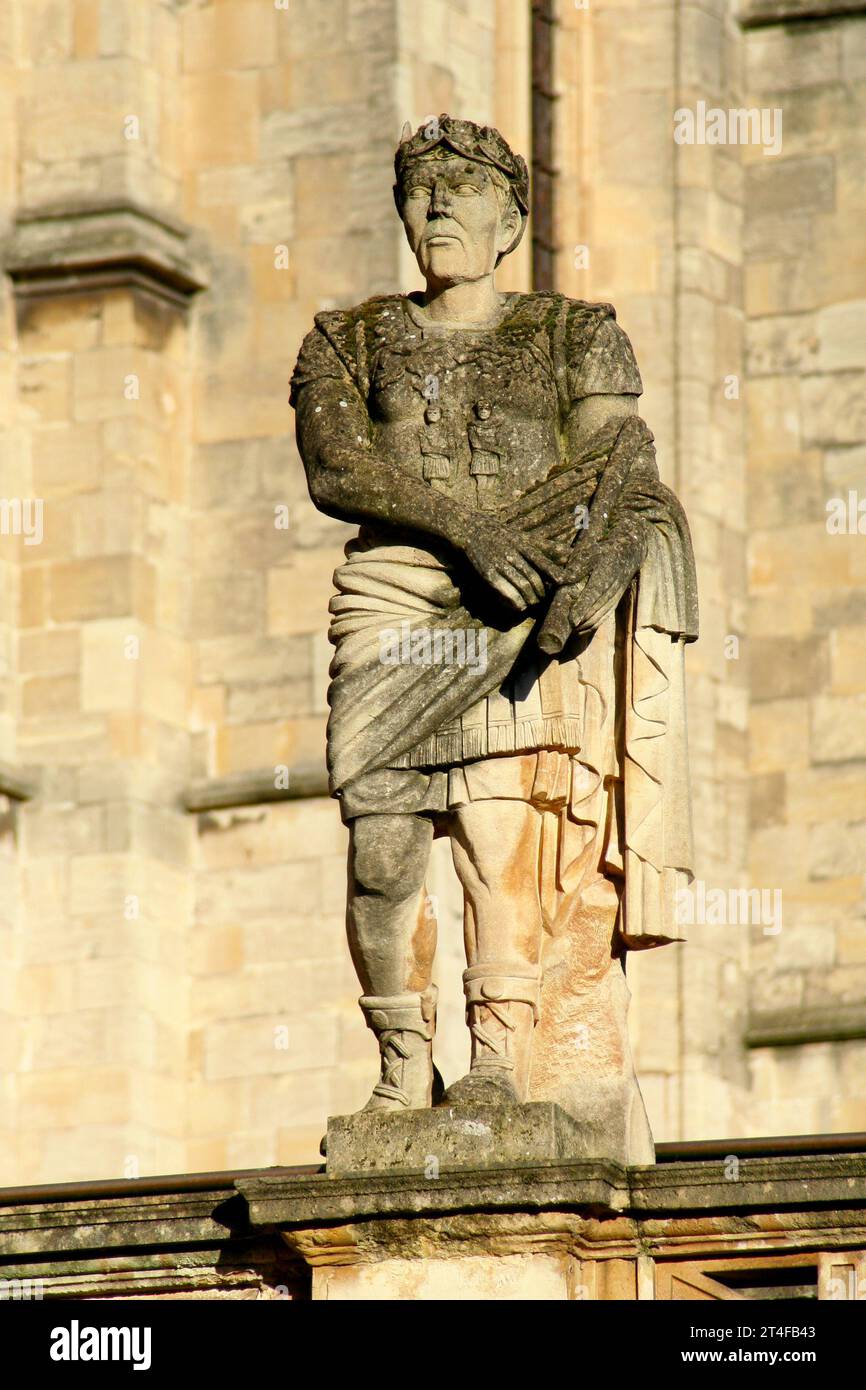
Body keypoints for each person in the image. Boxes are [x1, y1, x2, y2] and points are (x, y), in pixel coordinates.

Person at [290, 116, 698, 1162]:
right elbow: (338, 469)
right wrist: (466, 528)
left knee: (498, 843)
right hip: (396, 595)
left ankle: (497, 1059)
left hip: (518, 613)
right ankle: (398, 1062)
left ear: (510, 218)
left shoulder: (574, 333)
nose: (434, 207)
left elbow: (622, 472)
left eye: (460, 190)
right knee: (379, 853)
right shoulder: (348, 337)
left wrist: (587, 578)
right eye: (418, 191)